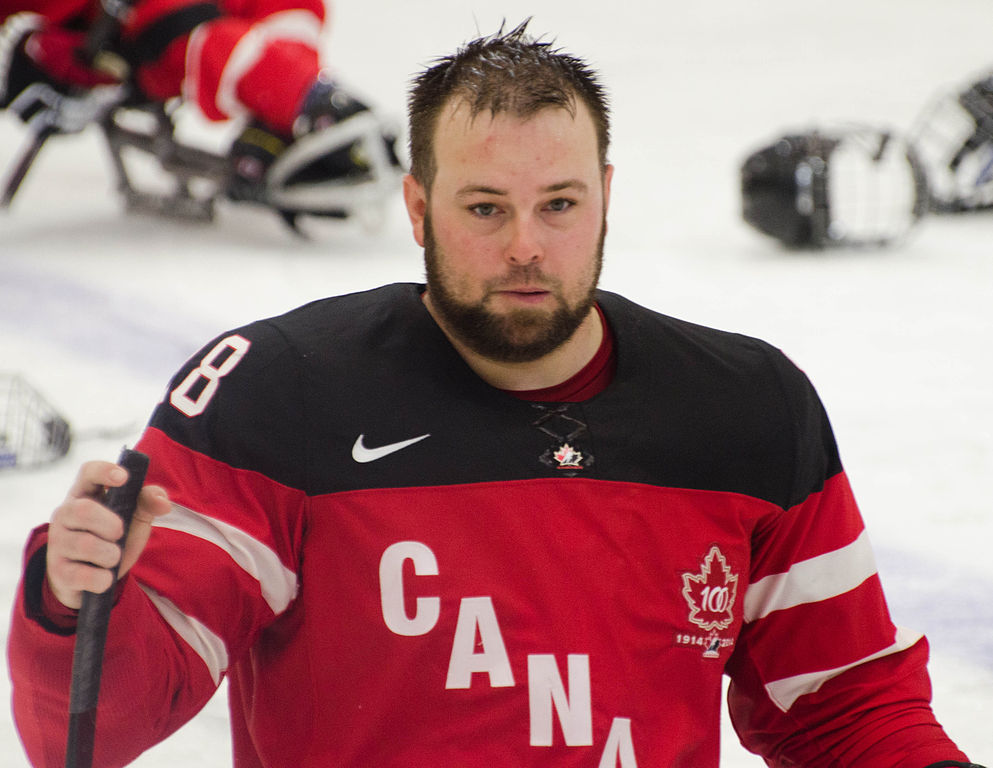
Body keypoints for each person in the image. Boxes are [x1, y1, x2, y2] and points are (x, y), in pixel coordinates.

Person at [7, 21, 986, 768]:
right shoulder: (276, 396)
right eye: (485, 209)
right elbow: (88, 734)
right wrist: (71, 599)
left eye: (558, 205)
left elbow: (850, 706)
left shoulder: (748, 411)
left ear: (606, 194)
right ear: (419, 207)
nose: (526, 245)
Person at [0, 0, 395, 202]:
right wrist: (31, 62)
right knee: (195, 36)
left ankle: (287, 115)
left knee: (282, 9)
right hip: (126, 33)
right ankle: (307, 104)